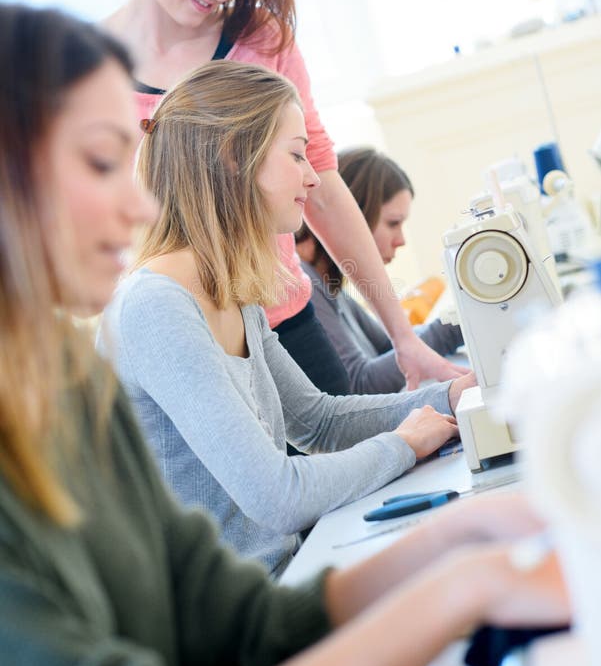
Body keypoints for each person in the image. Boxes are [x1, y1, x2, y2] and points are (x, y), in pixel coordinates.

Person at [0, 3, 569, 666]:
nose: (138, 201)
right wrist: (456, 586)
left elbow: (238, 623)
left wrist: (457, 543)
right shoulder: (147, 311)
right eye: (99, 162)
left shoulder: (74, 387)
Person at [104, 0, 469, 394]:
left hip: (287, 321)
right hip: (194, 345)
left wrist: (403, 337)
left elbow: (321, 183)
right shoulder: (81, 76)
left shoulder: (261, 41)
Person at [98, 60, 473, 576]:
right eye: (296, 155)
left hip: (284, 575)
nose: (313, 175)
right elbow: (277, 496)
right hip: (229, 626)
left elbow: (317, 420)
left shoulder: (234, 292)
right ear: (235, 157)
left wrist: (447, 398)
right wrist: (404, 444)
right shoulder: (155, 306)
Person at [295, 146, 464, 395]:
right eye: (393, 223)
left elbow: (389, 345)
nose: (401, 240)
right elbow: (359, 383)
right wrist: (456, 324)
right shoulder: (304, 284)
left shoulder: (329, 283)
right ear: (356, 216)